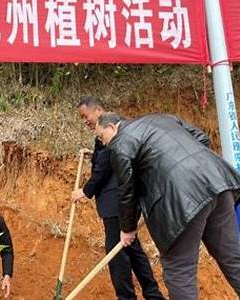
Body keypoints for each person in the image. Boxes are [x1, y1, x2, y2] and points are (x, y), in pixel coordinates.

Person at [95, 112, 240, 299]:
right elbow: (201, 138)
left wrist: (127, 229)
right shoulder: (163, 118)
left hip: (182, 199)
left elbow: (127, 189)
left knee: (179, 270)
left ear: (112, 127)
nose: (104, 143)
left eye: (102, 137)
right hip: (216, 182)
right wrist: (192, 168)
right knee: (233, 258)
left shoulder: (120, 142)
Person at [72, 96, 164, 300]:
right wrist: (91, 154)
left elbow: (104, 168)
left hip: (115, 202)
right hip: (118, 201)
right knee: (132, 249)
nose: (84, 120)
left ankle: (126, 297)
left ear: (98, 111)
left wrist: (85, 191)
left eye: (85, 116)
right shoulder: (116, 126)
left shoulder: (109, 128)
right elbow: (106, 160)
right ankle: (153, 294)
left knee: (116, 256)